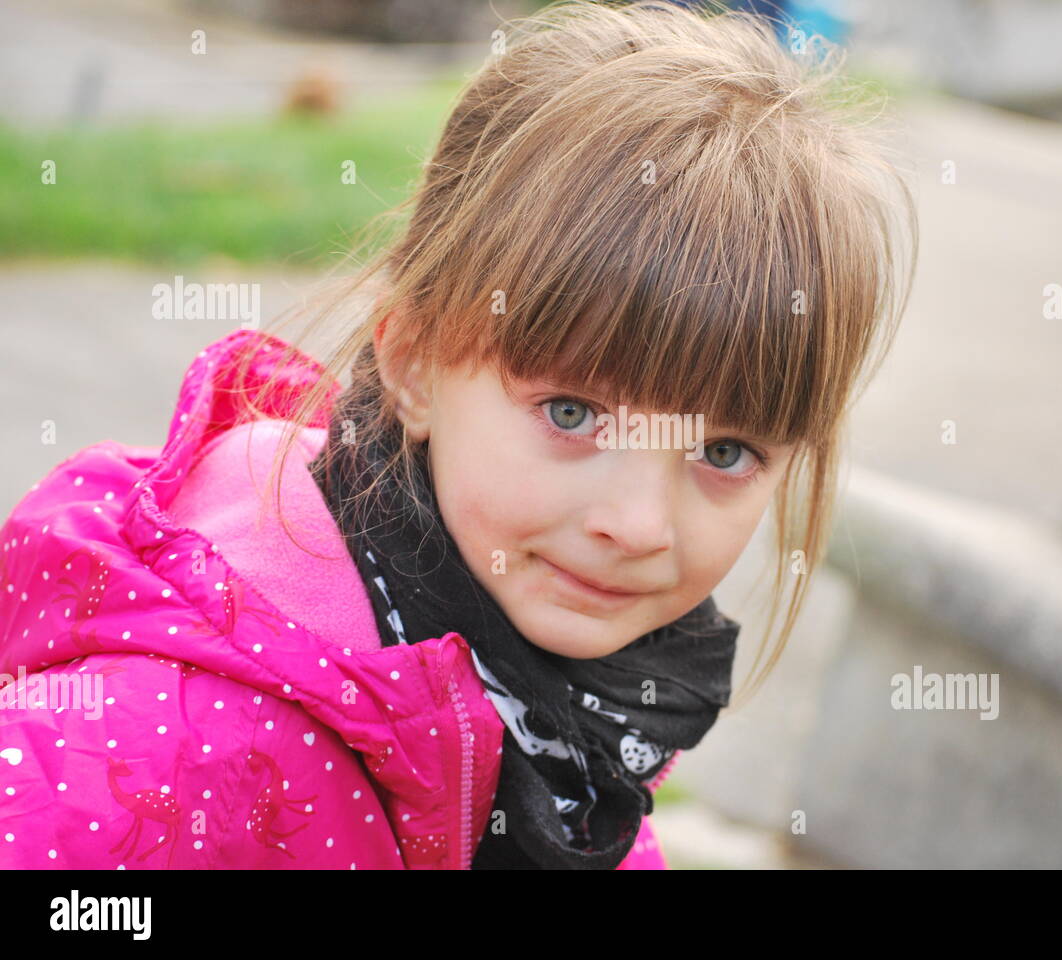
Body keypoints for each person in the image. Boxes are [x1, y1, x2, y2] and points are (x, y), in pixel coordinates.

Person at [0, 0, 915, 869]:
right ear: (412, 363)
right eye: (571, 413)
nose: (640, 525)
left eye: (724, 453)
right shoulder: (157, 751)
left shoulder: (569, 722)